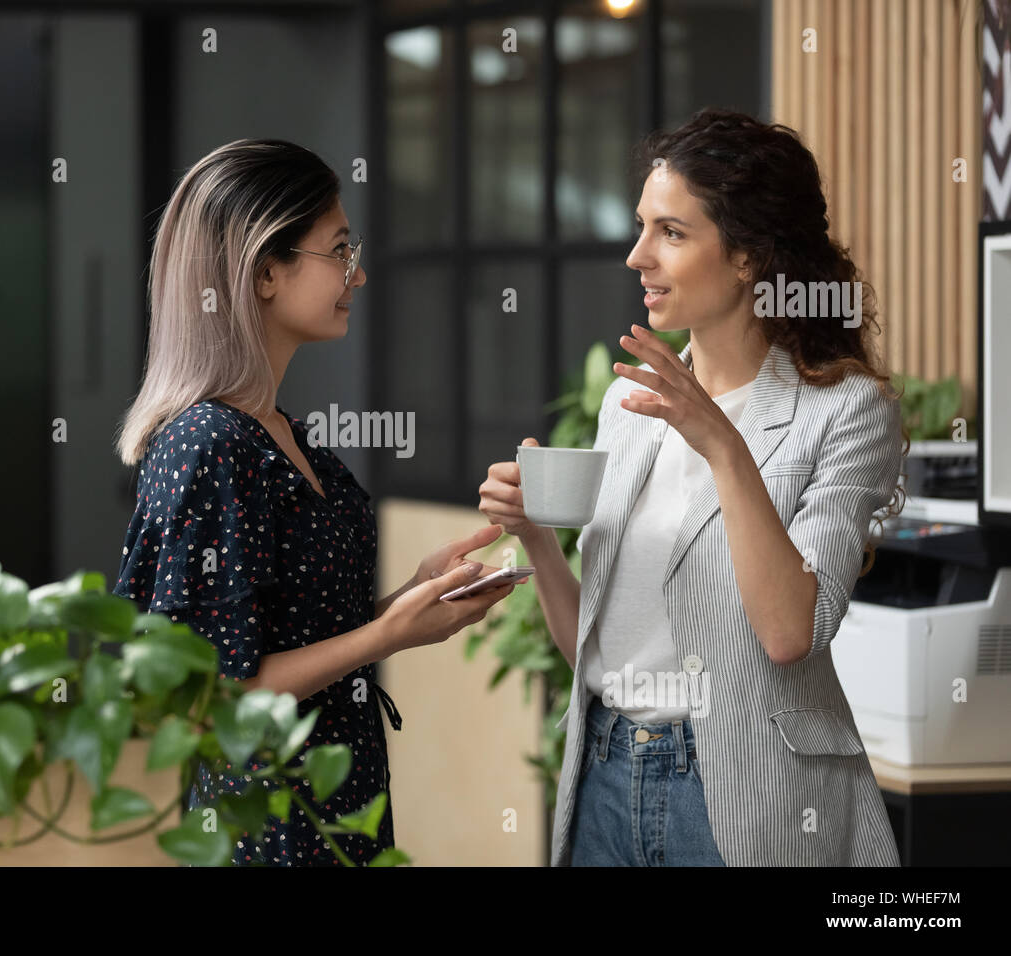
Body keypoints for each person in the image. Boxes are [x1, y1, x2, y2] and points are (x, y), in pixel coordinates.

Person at [479, 109, 906, 867]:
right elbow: (595, 654)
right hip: (606, 779)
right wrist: (538, 540)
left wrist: (719, 441)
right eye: (643, 227)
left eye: (672, 233)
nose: (638, 255)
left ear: (746, 257)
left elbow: (788, 634)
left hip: (746, 796)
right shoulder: (629, 402)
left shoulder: (846, 412)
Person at [111, 139, 517, 866]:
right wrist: (386, 633)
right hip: (271, 832)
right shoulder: (209, 442)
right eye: (339, 249)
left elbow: (286, 639)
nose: (357, 273)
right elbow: (213, 693)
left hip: (338, 814)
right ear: (266, 271)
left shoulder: (282, 436)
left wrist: (411, 598)